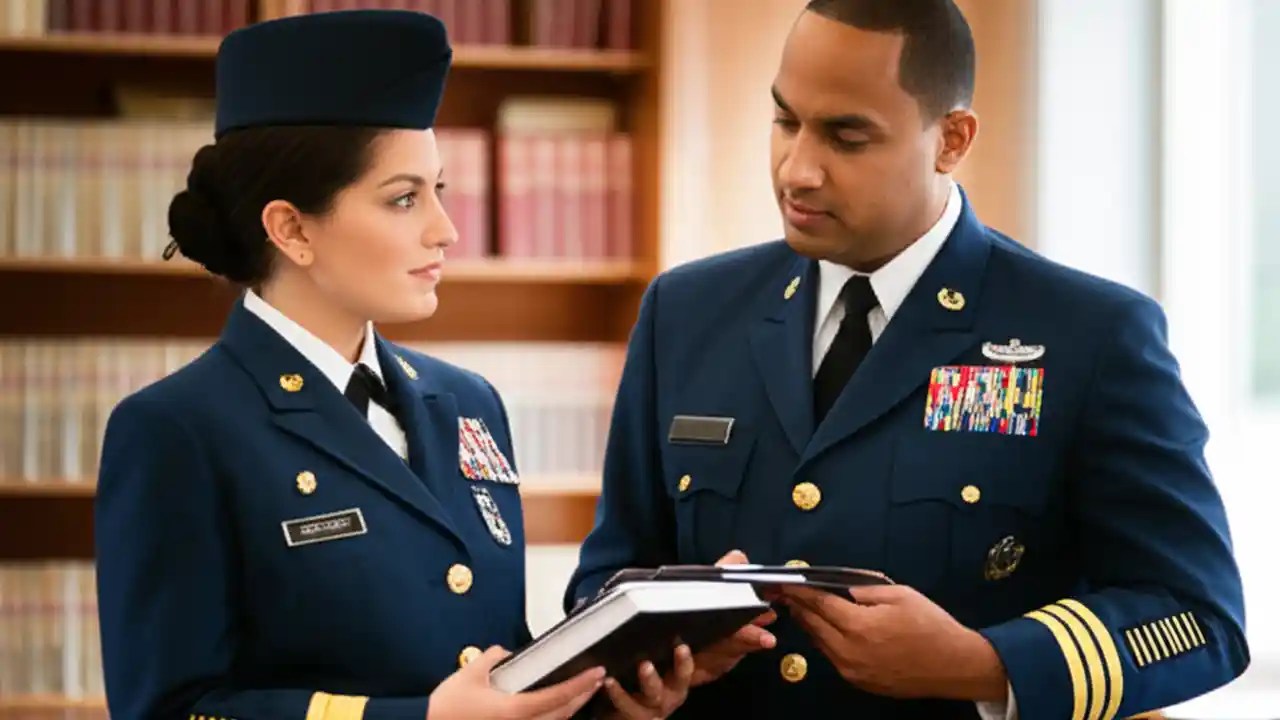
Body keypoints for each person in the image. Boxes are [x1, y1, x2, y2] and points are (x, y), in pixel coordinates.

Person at [565, 0, 1250, 717]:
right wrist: (649, 666)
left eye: (846, 137)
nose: (798, 170)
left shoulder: (1090, 336)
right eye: (785, 121)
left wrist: (983, 664)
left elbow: (1197, 618)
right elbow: (609, 577)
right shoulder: (686, 311)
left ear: (951, 139)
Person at [93, 10, 692, 720]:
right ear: (291, 229)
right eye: (404, 198)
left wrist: (608, 698)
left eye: (440, 191)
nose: (445, 229)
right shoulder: (177, 431)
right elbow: (169, 709)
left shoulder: (467, 402)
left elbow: (493, 664)